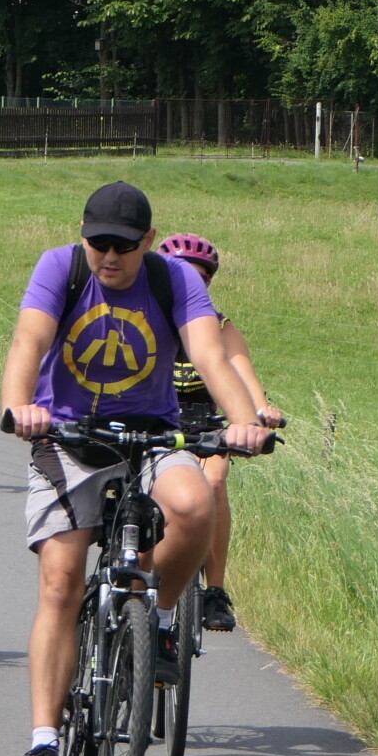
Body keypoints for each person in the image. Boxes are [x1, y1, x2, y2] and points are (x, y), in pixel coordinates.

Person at [0, 181, 270, 756]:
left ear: (147, 241)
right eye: (98, 244)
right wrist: (19, 406)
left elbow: (208, 354)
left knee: (196, 504)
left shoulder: (175, 281)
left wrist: (242, 422)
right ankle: (44, 741)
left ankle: (164, 617)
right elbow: (29, 340)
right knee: (62, 579)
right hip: (68, 435)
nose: (109, 258)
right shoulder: (60, 268)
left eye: (122, 246)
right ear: (84, 237)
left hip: (153, 434)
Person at [158, 233, 285, 632]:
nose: (192, 283)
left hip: (205, 427)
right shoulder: (146, 319)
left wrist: (260, 410)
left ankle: (214, 591)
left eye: (201, 277)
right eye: (182, 275)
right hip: (155, 423)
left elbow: (242, 373)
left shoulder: (219, 326)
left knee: (213, 483)